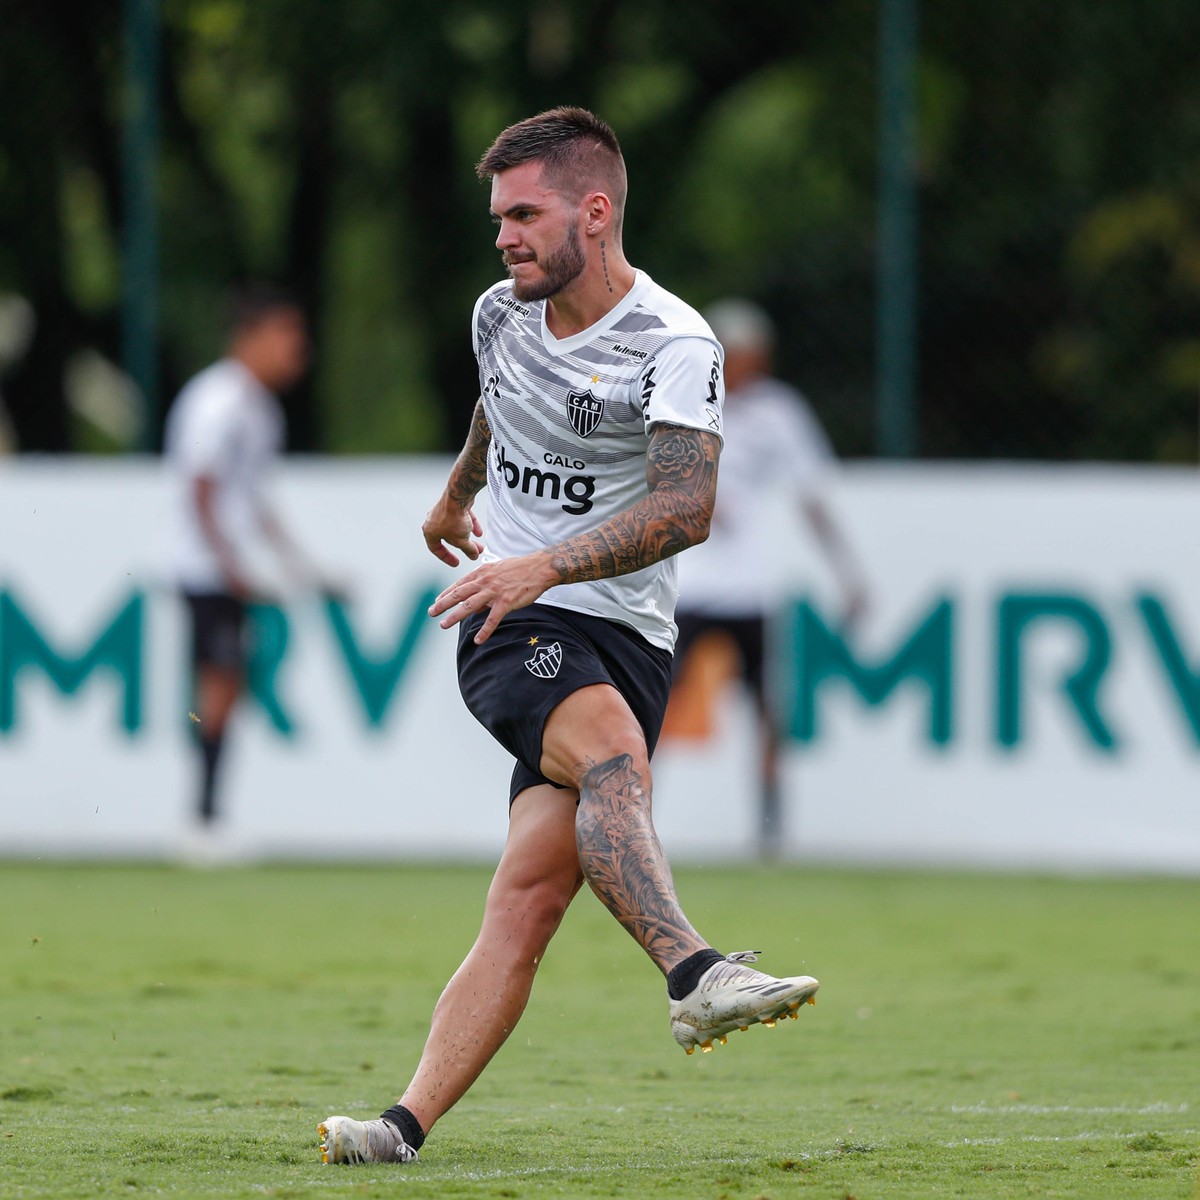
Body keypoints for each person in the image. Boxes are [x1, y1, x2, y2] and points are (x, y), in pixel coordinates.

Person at [318, 107, 819, 1169]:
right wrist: (458, 496)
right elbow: (497, 409)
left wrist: (546, 556)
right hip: (512, 618)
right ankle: (698, 975)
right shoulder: (500, 313)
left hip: (625, 635)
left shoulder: (676, 345)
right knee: (613, 759)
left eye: (524, 213)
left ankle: (399, 1129)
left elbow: (687, 509)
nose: (503, 234)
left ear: (594, 213)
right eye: (498, 215)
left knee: (531, 901)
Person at [668, 298, 869, 859]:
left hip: (749, 588)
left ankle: (770, 827)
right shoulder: (680, 397)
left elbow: (812, 498)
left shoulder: (779, 412)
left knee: (765, 711)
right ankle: (631, 817)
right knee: (653, 704)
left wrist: (847, 573)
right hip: (688, 586)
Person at [163, 284, 326, 850]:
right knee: (217, 688)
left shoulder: (258, 408)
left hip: (229, 571)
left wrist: (300, 565)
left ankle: (208, 816)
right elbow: (201, 488)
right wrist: (229, 563)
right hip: (207, 572)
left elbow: (252, 503)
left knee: (226, 689)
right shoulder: (220, 400)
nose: (297, 350)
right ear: (251, 336)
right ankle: (201, 822)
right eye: (287, 336)